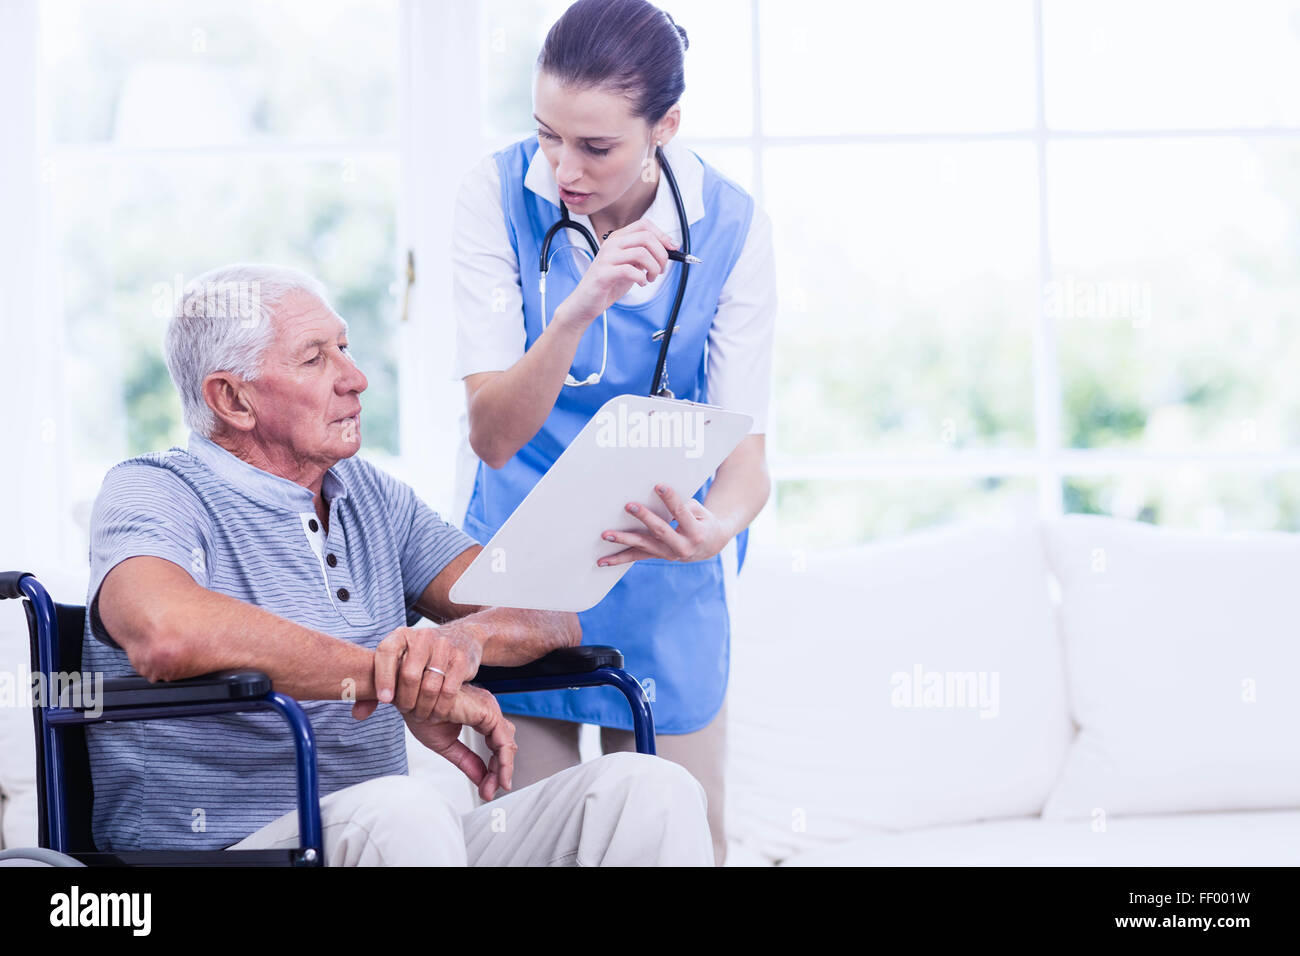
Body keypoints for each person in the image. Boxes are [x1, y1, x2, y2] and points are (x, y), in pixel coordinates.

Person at [82, 262, 713, 866]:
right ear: (232, 400)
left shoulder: (370, 495)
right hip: (226, 853)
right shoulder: (154, 490)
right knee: (406, 811)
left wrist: (461, 642)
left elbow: (548, 609)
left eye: (346, 348)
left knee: (649, 791)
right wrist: (388, 677)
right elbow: (164, 632)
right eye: (314, 357)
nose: (355, 377)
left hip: (386, 840)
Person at [452, 0, 775, 864]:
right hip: (524, 580)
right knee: (524, 844)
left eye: (596, 147)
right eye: (548, 135)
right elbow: (492, 433)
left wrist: (719, 529)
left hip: (665, 579)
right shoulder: (494, 195)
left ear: (666, 126)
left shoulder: (731, 228)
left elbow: (747, 461)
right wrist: (578, 306)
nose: (563, 168)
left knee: (678, 837)